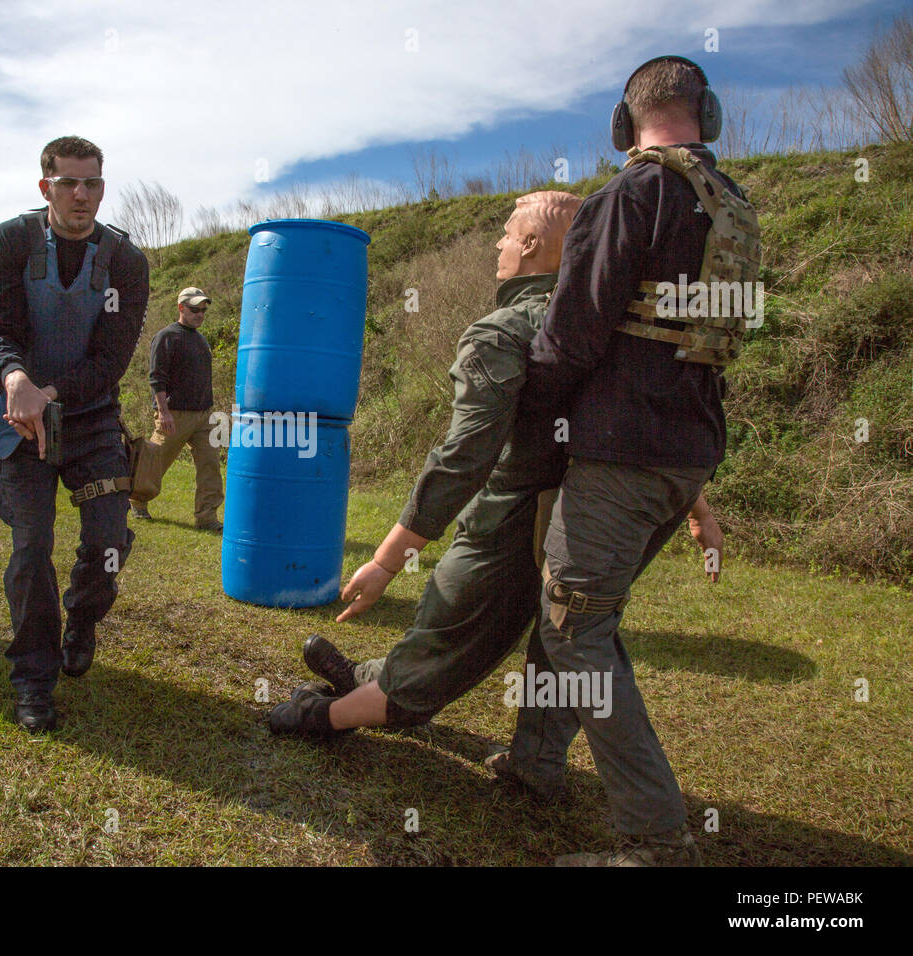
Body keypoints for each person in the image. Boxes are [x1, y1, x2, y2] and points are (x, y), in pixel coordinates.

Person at [491, 54, 760, 866]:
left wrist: (526, 423)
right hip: (687, 455)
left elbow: (569, 335)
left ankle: (656, 837)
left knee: (577, 629)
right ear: (705, 115)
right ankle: (537, 763)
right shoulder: (735, 210)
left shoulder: (630, 196)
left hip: (622, 452)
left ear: (622, 122)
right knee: (576, 611)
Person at [268, 190, 585, 737]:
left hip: (512, 520)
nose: (498, 242)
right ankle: (534, 765)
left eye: (508, 232)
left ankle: (324, 714)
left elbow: (464, 458)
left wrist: (388, 561)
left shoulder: (501, 330)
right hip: (592, 521)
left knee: (445, 636)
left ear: (532, 244)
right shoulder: (601, 326)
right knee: (559, 644)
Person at [0, 135, 150, 733]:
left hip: (90, 418)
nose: (83, 194)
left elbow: (111, 358)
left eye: (93, 183)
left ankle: (81, 618)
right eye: (70, 182)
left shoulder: (125, 262)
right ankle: (32, 678)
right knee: (30, 549)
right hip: (20, 419)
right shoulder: (10, 243)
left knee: (107, 542)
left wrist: (53, 393)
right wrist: (17, 379)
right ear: (45, 186)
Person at [129, 286, 225, 531]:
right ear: (181, 308)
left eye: (203, 310)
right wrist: (163, 412)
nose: (200, 314)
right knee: (154, 462)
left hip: (205, 416)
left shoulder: (201, 339)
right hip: (175, 414)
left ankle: (207, 517)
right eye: (195, 309)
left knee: (210, 465)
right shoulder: (166, 336)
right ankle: (136, 501)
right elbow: (156, 378)